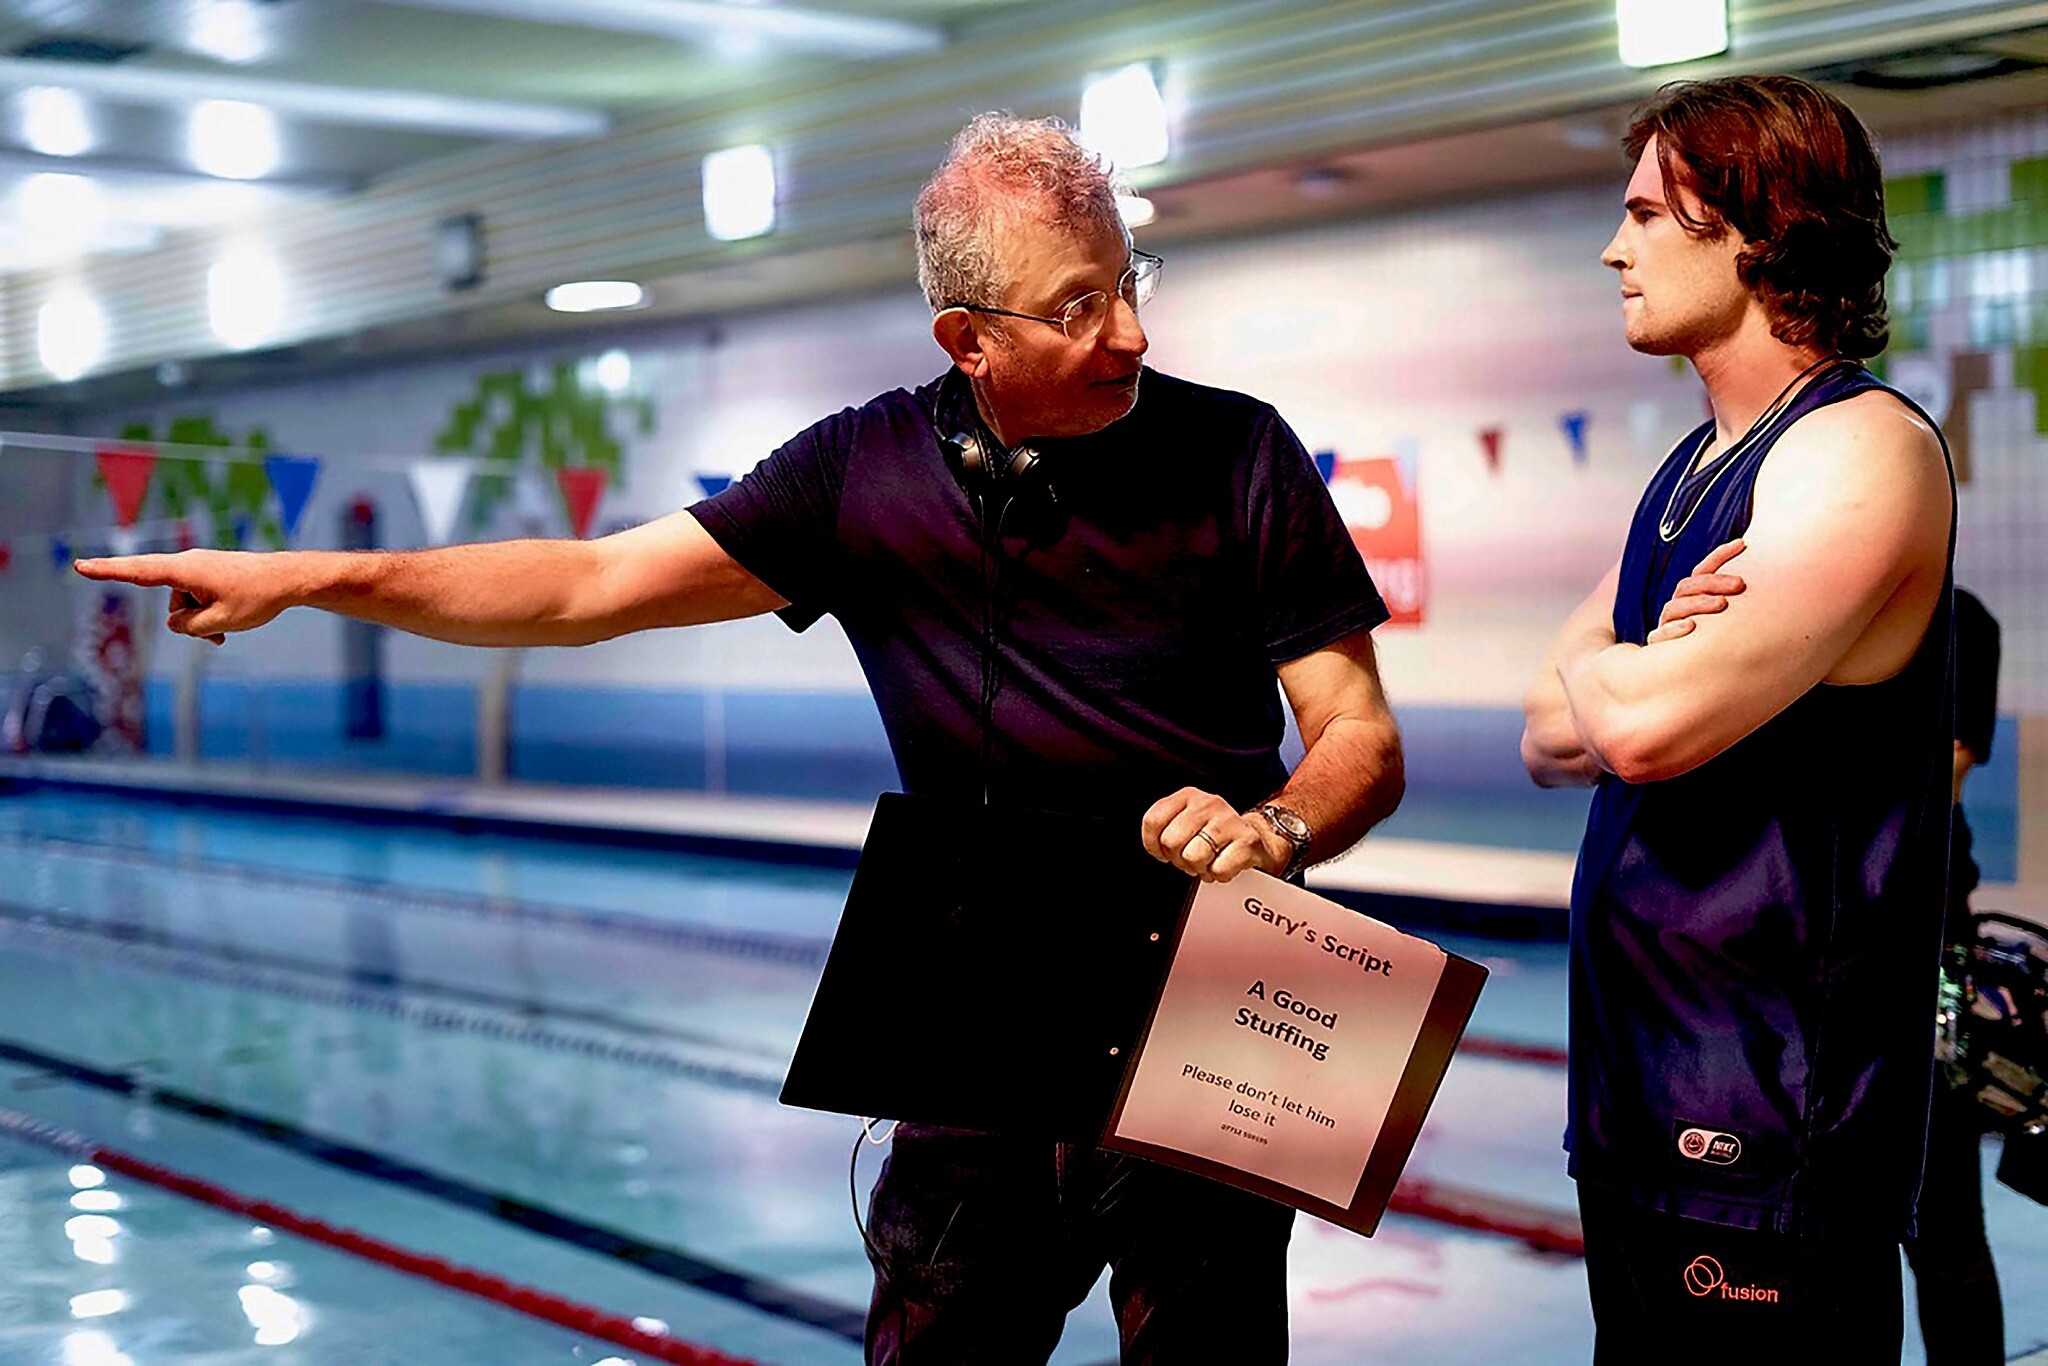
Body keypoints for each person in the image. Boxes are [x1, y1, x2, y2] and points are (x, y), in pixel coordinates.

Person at [75, 113, 1405, 1364]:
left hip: (1226, 976)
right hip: (978, 982)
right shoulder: (865, 473)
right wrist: (314, 577)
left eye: (1127, 281)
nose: (1128, 331)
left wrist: (1272, 825)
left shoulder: (1242, 452)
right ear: (967, 339)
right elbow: (587, 584)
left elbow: (1357, 731)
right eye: (1076, 306)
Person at [1519, 75, 1955, 1359]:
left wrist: (1605, 657)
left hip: (1770, 1113)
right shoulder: (1692, 465)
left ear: (1757, 229)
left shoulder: (1855, 448)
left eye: (1645, 215)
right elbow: (1543, 733)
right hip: (1636, 1089)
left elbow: (1635, 734)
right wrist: (1626, 661)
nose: (1613, 251)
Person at [1905, 585, 2004, 1364]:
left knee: (1945, 1223)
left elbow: (1950, 770)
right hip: (1801, 956)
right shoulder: (1784, 609)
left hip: (1922, 945)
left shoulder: (1960, 620)